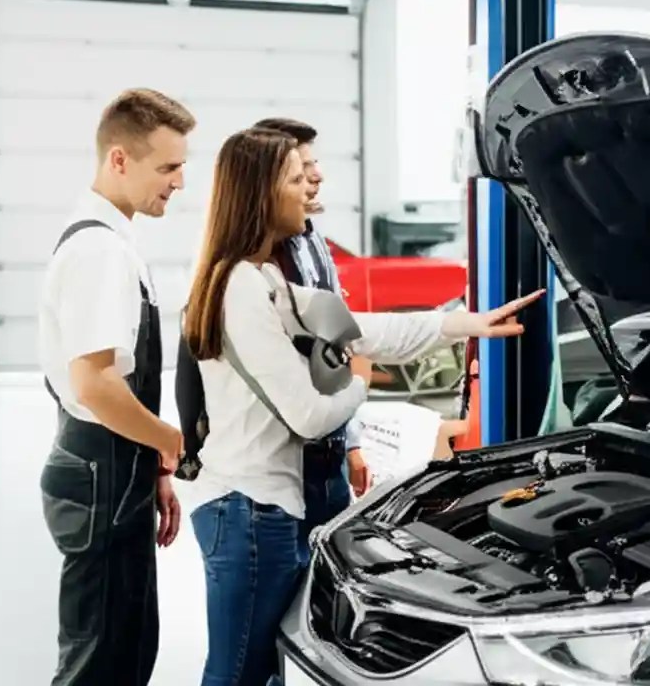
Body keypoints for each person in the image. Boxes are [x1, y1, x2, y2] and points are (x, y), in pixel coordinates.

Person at [182, 126, 542, 686]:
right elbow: (308, 413)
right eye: (296, 178)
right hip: (249, 510)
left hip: (264, 507)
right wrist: (358, 385)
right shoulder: (240, 288)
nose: (310, 186)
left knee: (259, 673)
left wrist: (465, 323)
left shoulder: (265, 277)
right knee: (236, 675)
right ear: (259, 191)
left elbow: (359, 328)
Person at [36, 87, 194, 686]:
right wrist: (169, 441)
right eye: (169, 167)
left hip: (112, 466)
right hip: (100, 470)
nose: (179, 182)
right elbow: (97, 384)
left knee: (125, 649)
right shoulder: (99, 250)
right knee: (100, 663)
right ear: (119, 160)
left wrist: (153, 466)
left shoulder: (114, 239)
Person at [251, 116, 366, 556]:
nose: (316, 176)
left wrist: (350, 442)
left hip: (327, 453)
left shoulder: (310, 237)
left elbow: (336, 343)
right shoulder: (257, 260)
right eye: (302, 169)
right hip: (288, 462)